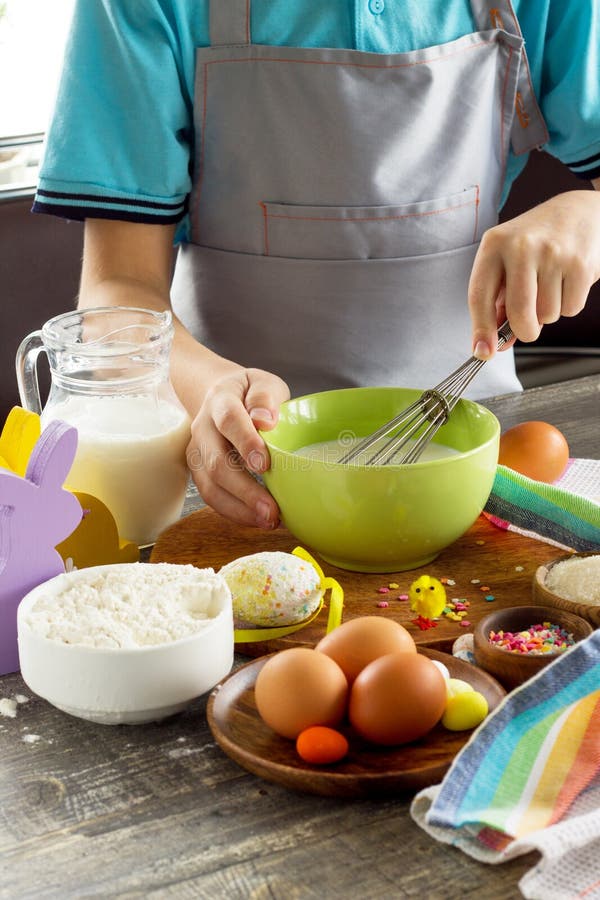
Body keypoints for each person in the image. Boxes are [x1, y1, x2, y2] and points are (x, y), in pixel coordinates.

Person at [34, 1, 600, 532]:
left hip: (473, 464)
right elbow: (116, 292)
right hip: (235, 474)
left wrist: (586, 213)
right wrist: (210, 388)